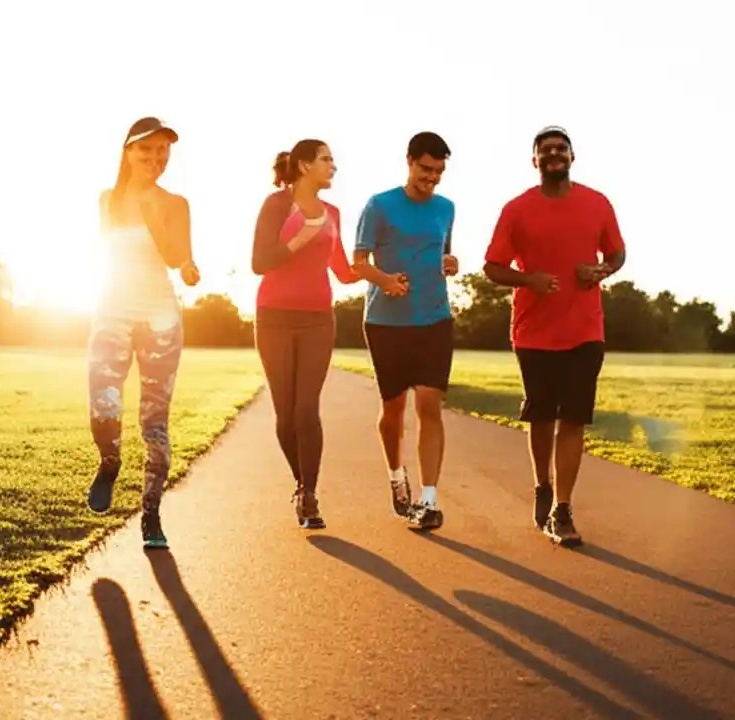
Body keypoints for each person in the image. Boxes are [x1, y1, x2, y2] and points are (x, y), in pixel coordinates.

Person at [482, 125, 626, 547]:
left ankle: (562, 509)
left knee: (574, 418)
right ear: (535, 161)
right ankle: (542, 485)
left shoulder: (597, 203)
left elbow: (617, 252)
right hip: (533, 332)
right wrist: (529, 279)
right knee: (542, 417)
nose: (554, 154)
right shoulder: (516, 209)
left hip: (585, 328)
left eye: (561, 148)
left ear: (572, 156)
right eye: (545, 150)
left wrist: (602, 270)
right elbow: (492, 267)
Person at [85, 116, 200, 551]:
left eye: (162, 150)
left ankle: (151, 513)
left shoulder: (176, 203)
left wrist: (187, 266)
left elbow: (178, 259)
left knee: (154, 421)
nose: (156, 158)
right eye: (146, 149)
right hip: (112, 309)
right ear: (128, 152)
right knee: (102, 400)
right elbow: (104, 251)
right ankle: (109, 461)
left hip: (160, 317)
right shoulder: (108, 201)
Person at [351, 131, 460, 531]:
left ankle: (428, 500)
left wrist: (451, 263)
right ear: (410, 162)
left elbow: (443, 253)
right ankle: (396, 475)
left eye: (438, 172)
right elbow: (358, 262)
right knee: (394, 408)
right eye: (426, 169)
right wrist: (385, 281)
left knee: (430, 405)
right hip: (387, 322)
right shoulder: (379, 205)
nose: (431, 178)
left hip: (435, 318)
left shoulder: (446, 208)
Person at [251, 139, 360, 529]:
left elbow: (343, 271)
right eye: (326, 159)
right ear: (303, 166)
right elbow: (259, 262)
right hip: (274, 318)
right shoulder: (276, 205)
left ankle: (309, 493)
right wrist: (300, 239)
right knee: (285, 414)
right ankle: (301, 483)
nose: (333, 166)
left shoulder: (334, 213)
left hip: (317, 319)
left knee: (306, 408)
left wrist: (384, 269)